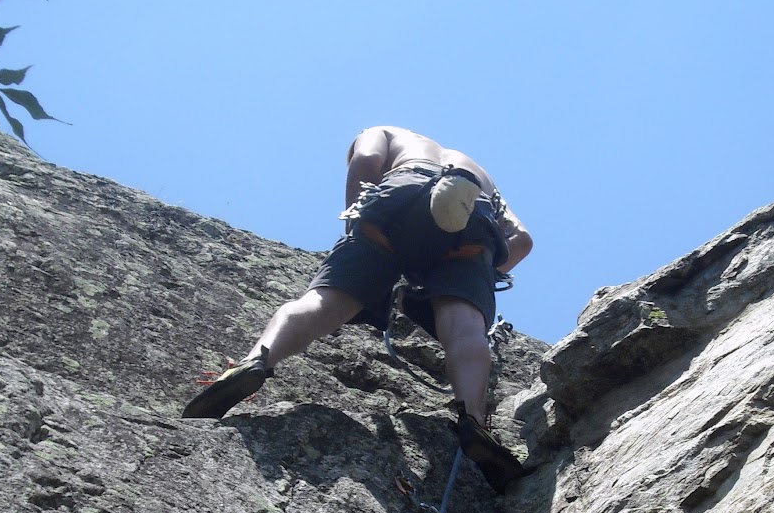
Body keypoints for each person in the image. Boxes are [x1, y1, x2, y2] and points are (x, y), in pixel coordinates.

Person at [181, 126, 533, 490]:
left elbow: (366, 160)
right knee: (464, 326)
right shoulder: (480, 172)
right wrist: (468, 274)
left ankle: (255, 362)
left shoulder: (383, 131)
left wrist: (356, 227)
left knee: (324, 301)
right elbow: (521, 241)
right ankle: (474, 421)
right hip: (473, 212)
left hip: (404, 190)